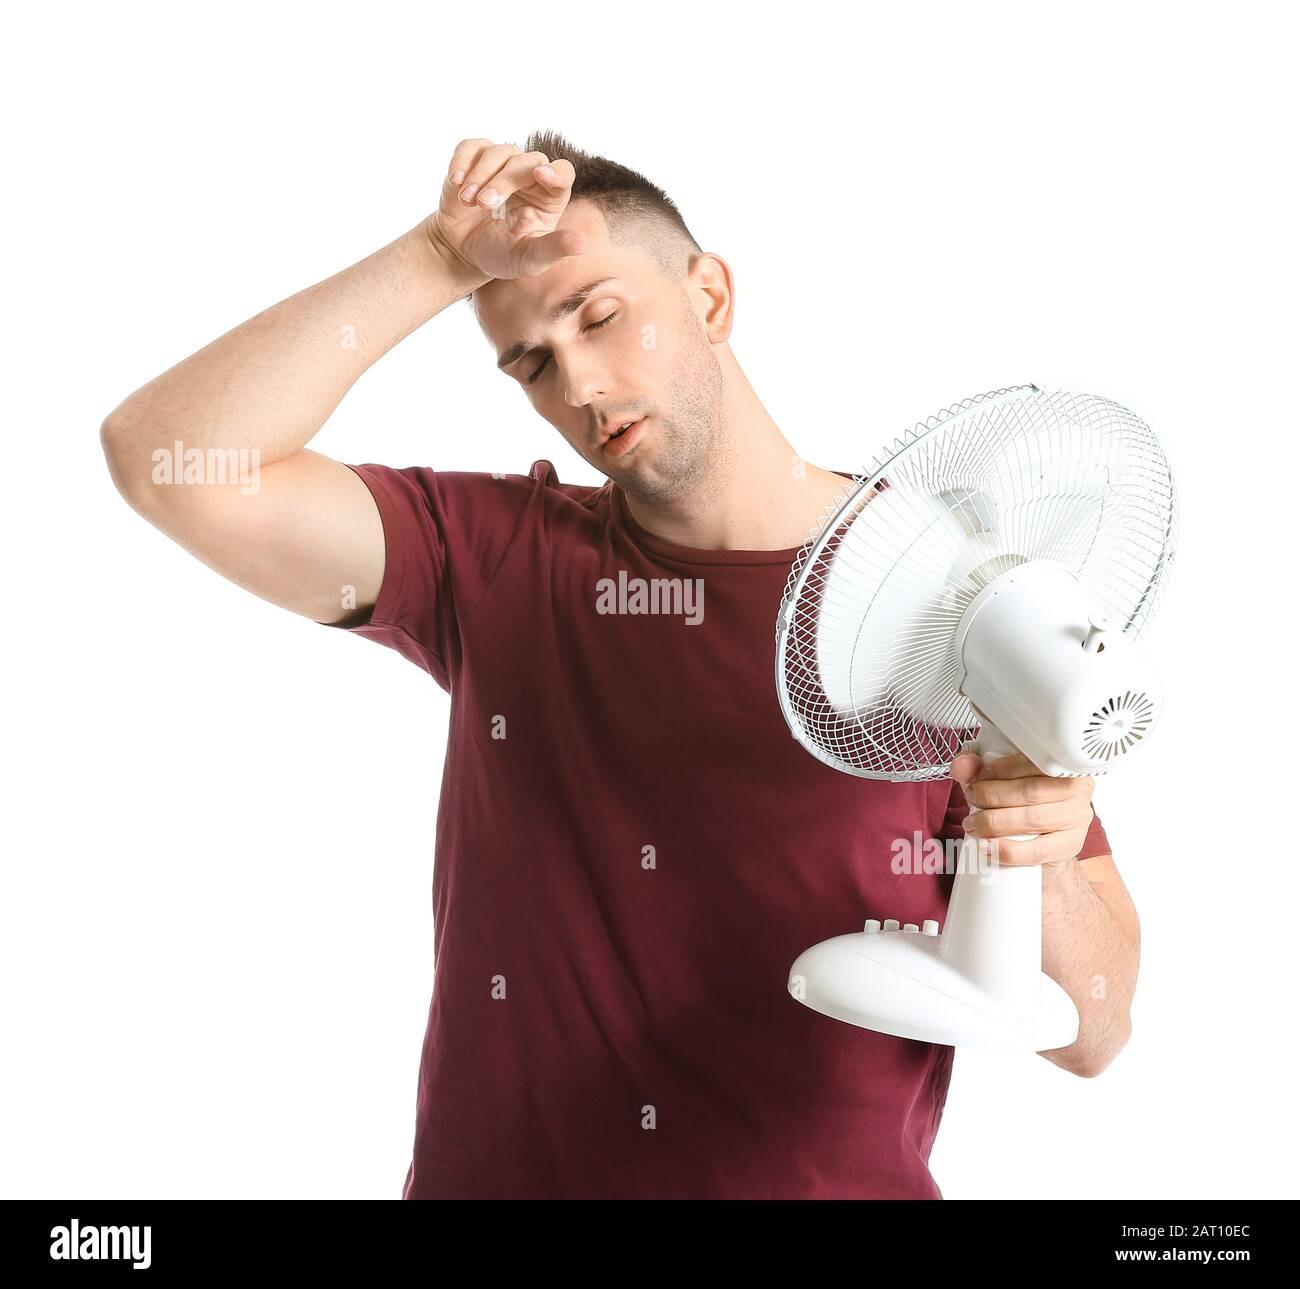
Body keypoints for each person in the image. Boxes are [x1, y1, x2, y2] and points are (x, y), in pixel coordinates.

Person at [100, 131, 1140, 1200]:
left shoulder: (947, 602)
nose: (581, 385)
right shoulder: (495, 560)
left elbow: (1095, 1030)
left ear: (710, 296)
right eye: (533, 363)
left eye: (598, 316)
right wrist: (438, 257)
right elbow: (169, 461)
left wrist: (1042, 851)